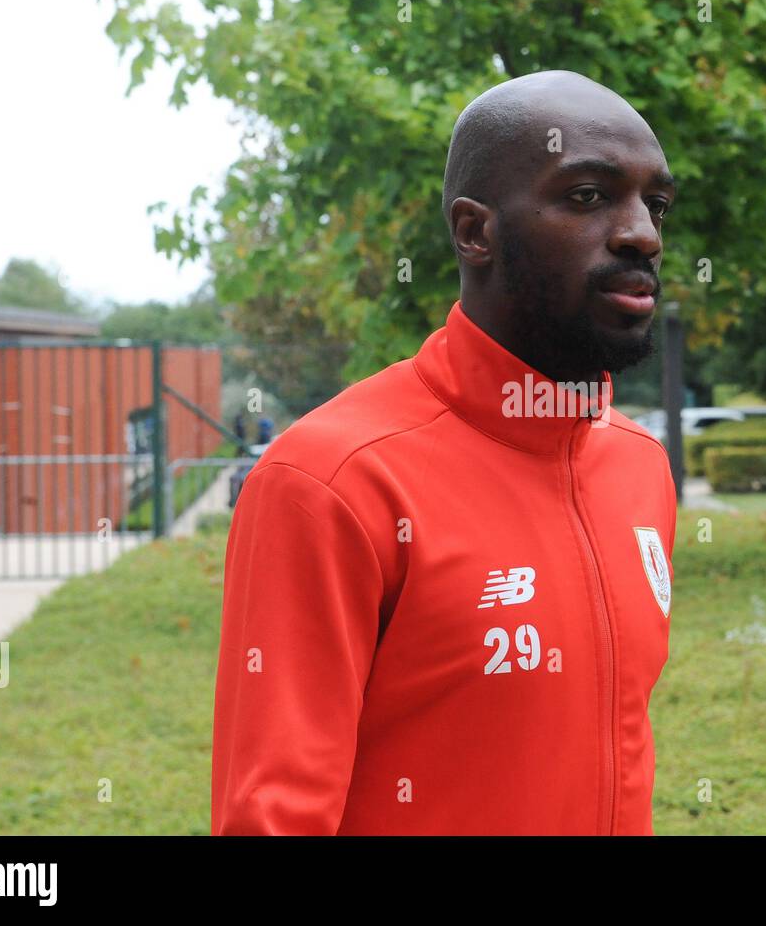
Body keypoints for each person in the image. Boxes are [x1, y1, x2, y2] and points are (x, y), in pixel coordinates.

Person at [212, 70, 678, 836]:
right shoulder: (332, 481)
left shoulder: (638, 466)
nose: (643, 235)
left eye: (654, 205)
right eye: (589, 196)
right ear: (475, 231)